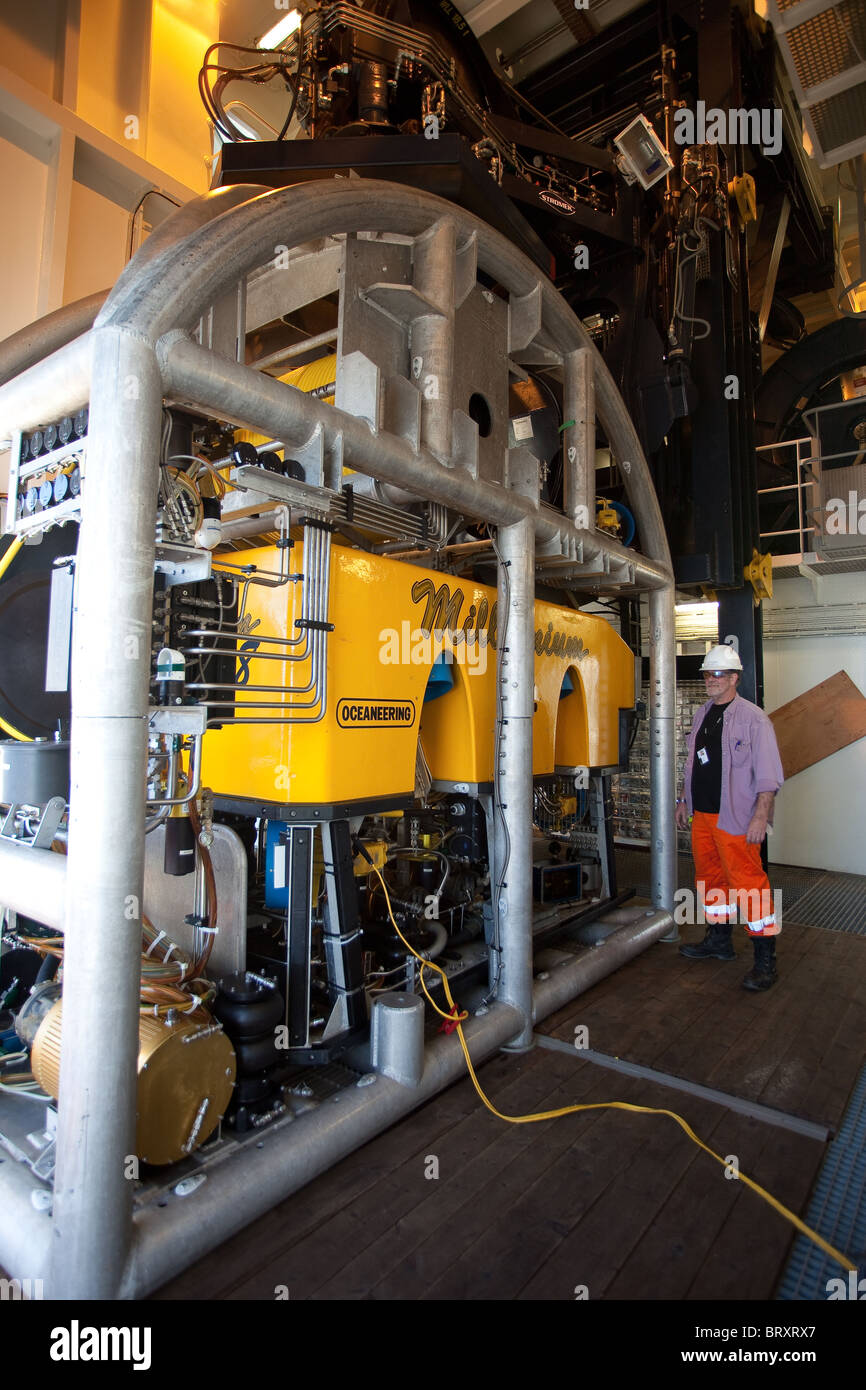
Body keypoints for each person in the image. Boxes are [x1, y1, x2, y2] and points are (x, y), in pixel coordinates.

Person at [675, 645, 784, 991]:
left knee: (749, 885)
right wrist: (683, 801)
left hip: (736, 818)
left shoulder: (754, 719)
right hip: (702, 817)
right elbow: (693, 763)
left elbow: (769, 775)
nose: (711, 680)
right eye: (708, 674)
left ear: (734, 678)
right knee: (710, 878)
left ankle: (765, 962)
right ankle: (719, 941)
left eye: (718, 674)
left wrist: (759, 817)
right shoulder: (702, 714)